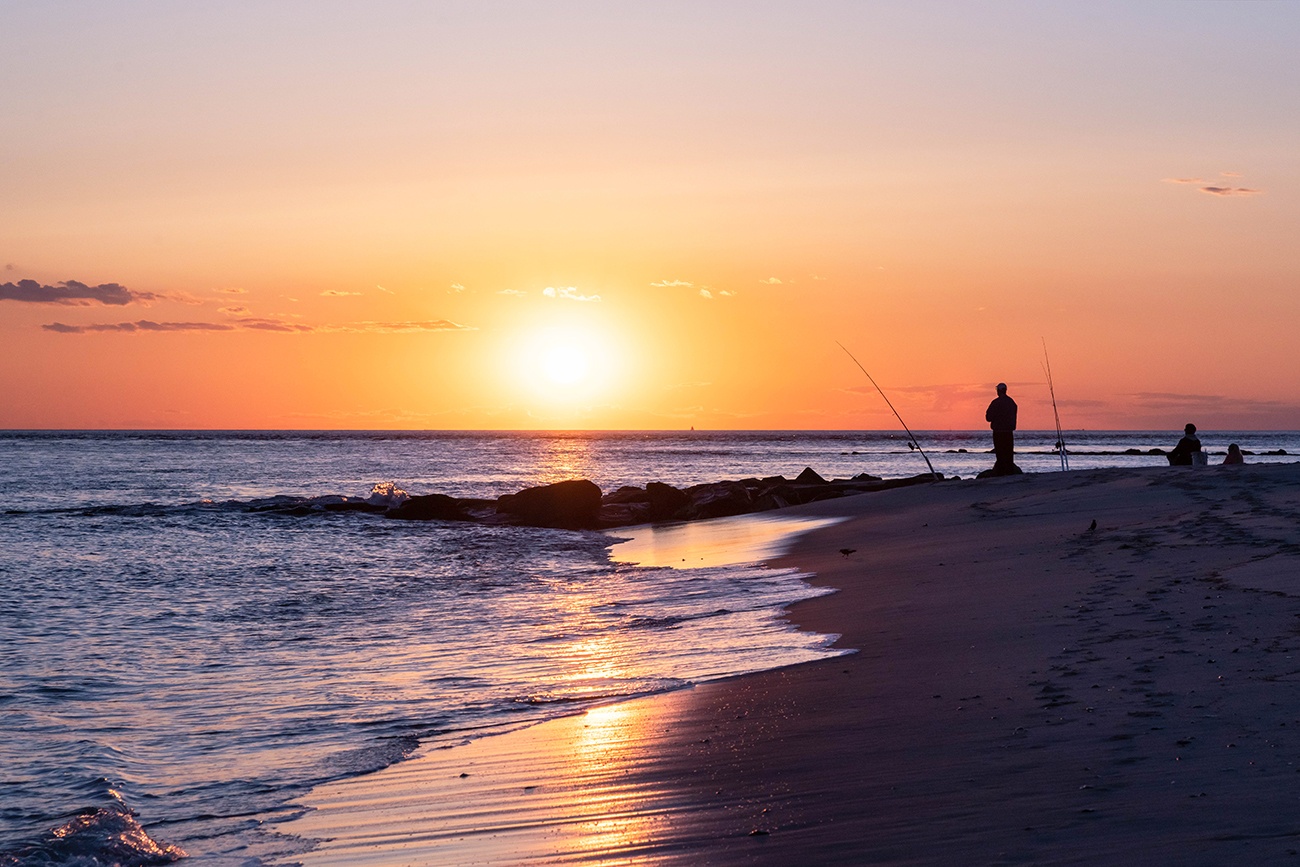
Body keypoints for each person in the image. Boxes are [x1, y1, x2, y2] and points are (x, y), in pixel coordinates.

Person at [984, 382, 1021, 475]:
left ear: (998, 391)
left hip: (998, 432)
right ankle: (1009, 472)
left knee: (1000, 453)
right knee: (1009, 454)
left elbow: (988, 417)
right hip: (1009, 432)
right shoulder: (1012, 402)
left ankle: (1001, 472)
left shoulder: (995, 403)